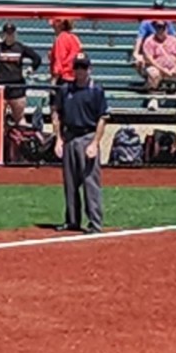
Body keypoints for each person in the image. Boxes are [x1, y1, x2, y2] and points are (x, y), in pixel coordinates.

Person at [51, 53, 109, 235]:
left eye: (83, 67)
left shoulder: (96, 90)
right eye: (77, 67)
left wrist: (95, 143)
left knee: (90, 183)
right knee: (70, 183)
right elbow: (56, 114)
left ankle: (95, 223)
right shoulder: (65, 90)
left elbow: (103, 119)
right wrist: (58, 139)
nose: (80, 71)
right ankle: (72, 220)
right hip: (69, 137)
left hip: (87, 136)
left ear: (89, 69)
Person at [0, 22, 43, 126]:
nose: (9, 36)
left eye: (11, 33)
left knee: (19, 118)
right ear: (3, 34)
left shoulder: (20, 48)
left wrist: (28, 70)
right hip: (0, 86)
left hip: (17, 87)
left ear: (15, 34)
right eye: (7, 33)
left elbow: (37, 59)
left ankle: (20, 136)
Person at [141, 20, 176, 95]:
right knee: (153, 73)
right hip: (157, 68)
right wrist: (163, 70)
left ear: (167, 27)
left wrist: (175, 69)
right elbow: (150, 60)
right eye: (157, 27)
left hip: (174, 69)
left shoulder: (174, 41)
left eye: (162, 27)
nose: (160, 29)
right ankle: (153, 97)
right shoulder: (149, 41)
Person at [132, 0, 176, 80]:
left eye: (160, 9)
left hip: (164, 49)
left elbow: (173, 38)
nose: (158, 11)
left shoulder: (167, 22)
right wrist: (136, 53)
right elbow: (140, 38)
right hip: (150, 49)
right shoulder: (146, 22)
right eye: (156, 9)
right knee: (140, 62)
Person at [49, 18, 83, 87]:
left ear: (61, 25)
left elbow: (59, 59)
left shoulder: (61, 38)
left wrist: (54, 78)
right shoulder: (74, 38)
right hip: (74, 76)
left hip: (64, 77)